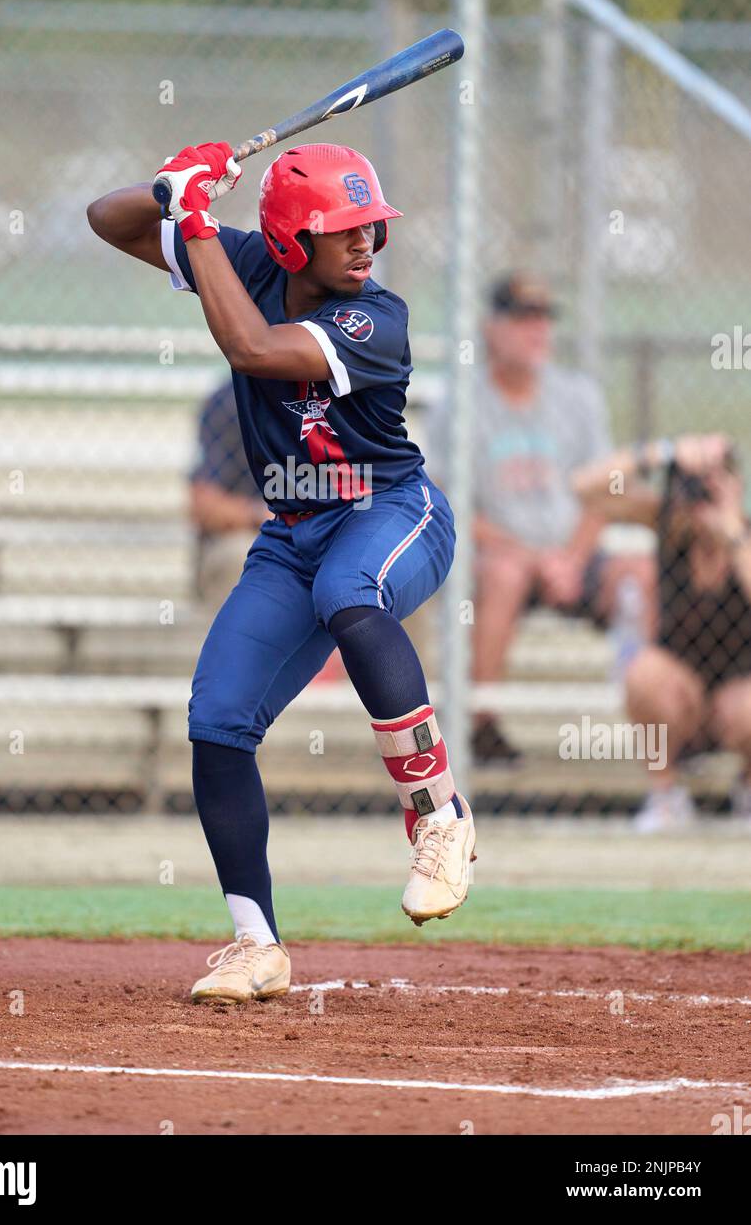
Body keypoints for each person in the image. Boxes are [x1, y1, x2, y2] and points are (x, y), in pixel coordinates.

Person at [87, 141, 476, 1003]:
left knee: (348, 592)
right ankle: (255, 944)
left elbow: (253, 347)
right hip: (294, 529)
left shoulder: (377, 317)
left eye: (369, 225)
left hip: (391, 512)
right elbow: (106, 221)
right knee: (217, 718)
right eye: (342, 230)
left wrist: (194, 223)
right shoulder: (251, 259)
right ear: (292, 241)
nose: (366, 242)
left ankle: (438, 814)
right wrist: (174, 184)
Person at [463, 273, 654, 765]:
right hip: (502, 558)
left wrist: (570, 559)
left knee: (641, 573)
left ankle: (667, 729)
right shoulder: (463, 405)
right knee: (504, 573)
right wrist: (533, 558)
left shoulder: (578, 397)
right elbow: (452, 504)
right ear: (492, 328)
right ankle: (484, 728)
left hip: (576, 554)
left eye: (544, 320)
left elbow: (604, 494)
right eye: (524, 319)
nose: (538, 331)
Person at [573, 433, 751, 831]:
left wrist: (731, 529)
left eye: (713, 479)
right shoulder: (667, 521)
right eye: (692, 481)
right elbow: (584, 487)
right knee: (643, 673)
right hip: (679, 682)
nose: (700, 492)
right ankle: (665, 794)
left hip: (739, 687)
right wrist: (663, 452)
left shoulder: (744, 532)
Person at [189, 380, 267, 614]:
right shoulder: (232, 399)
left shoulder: (343, 392)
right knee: (244, 557)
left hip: (321, 536)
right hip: (250, 536)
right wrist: (260, 515)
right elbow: (203, 506)